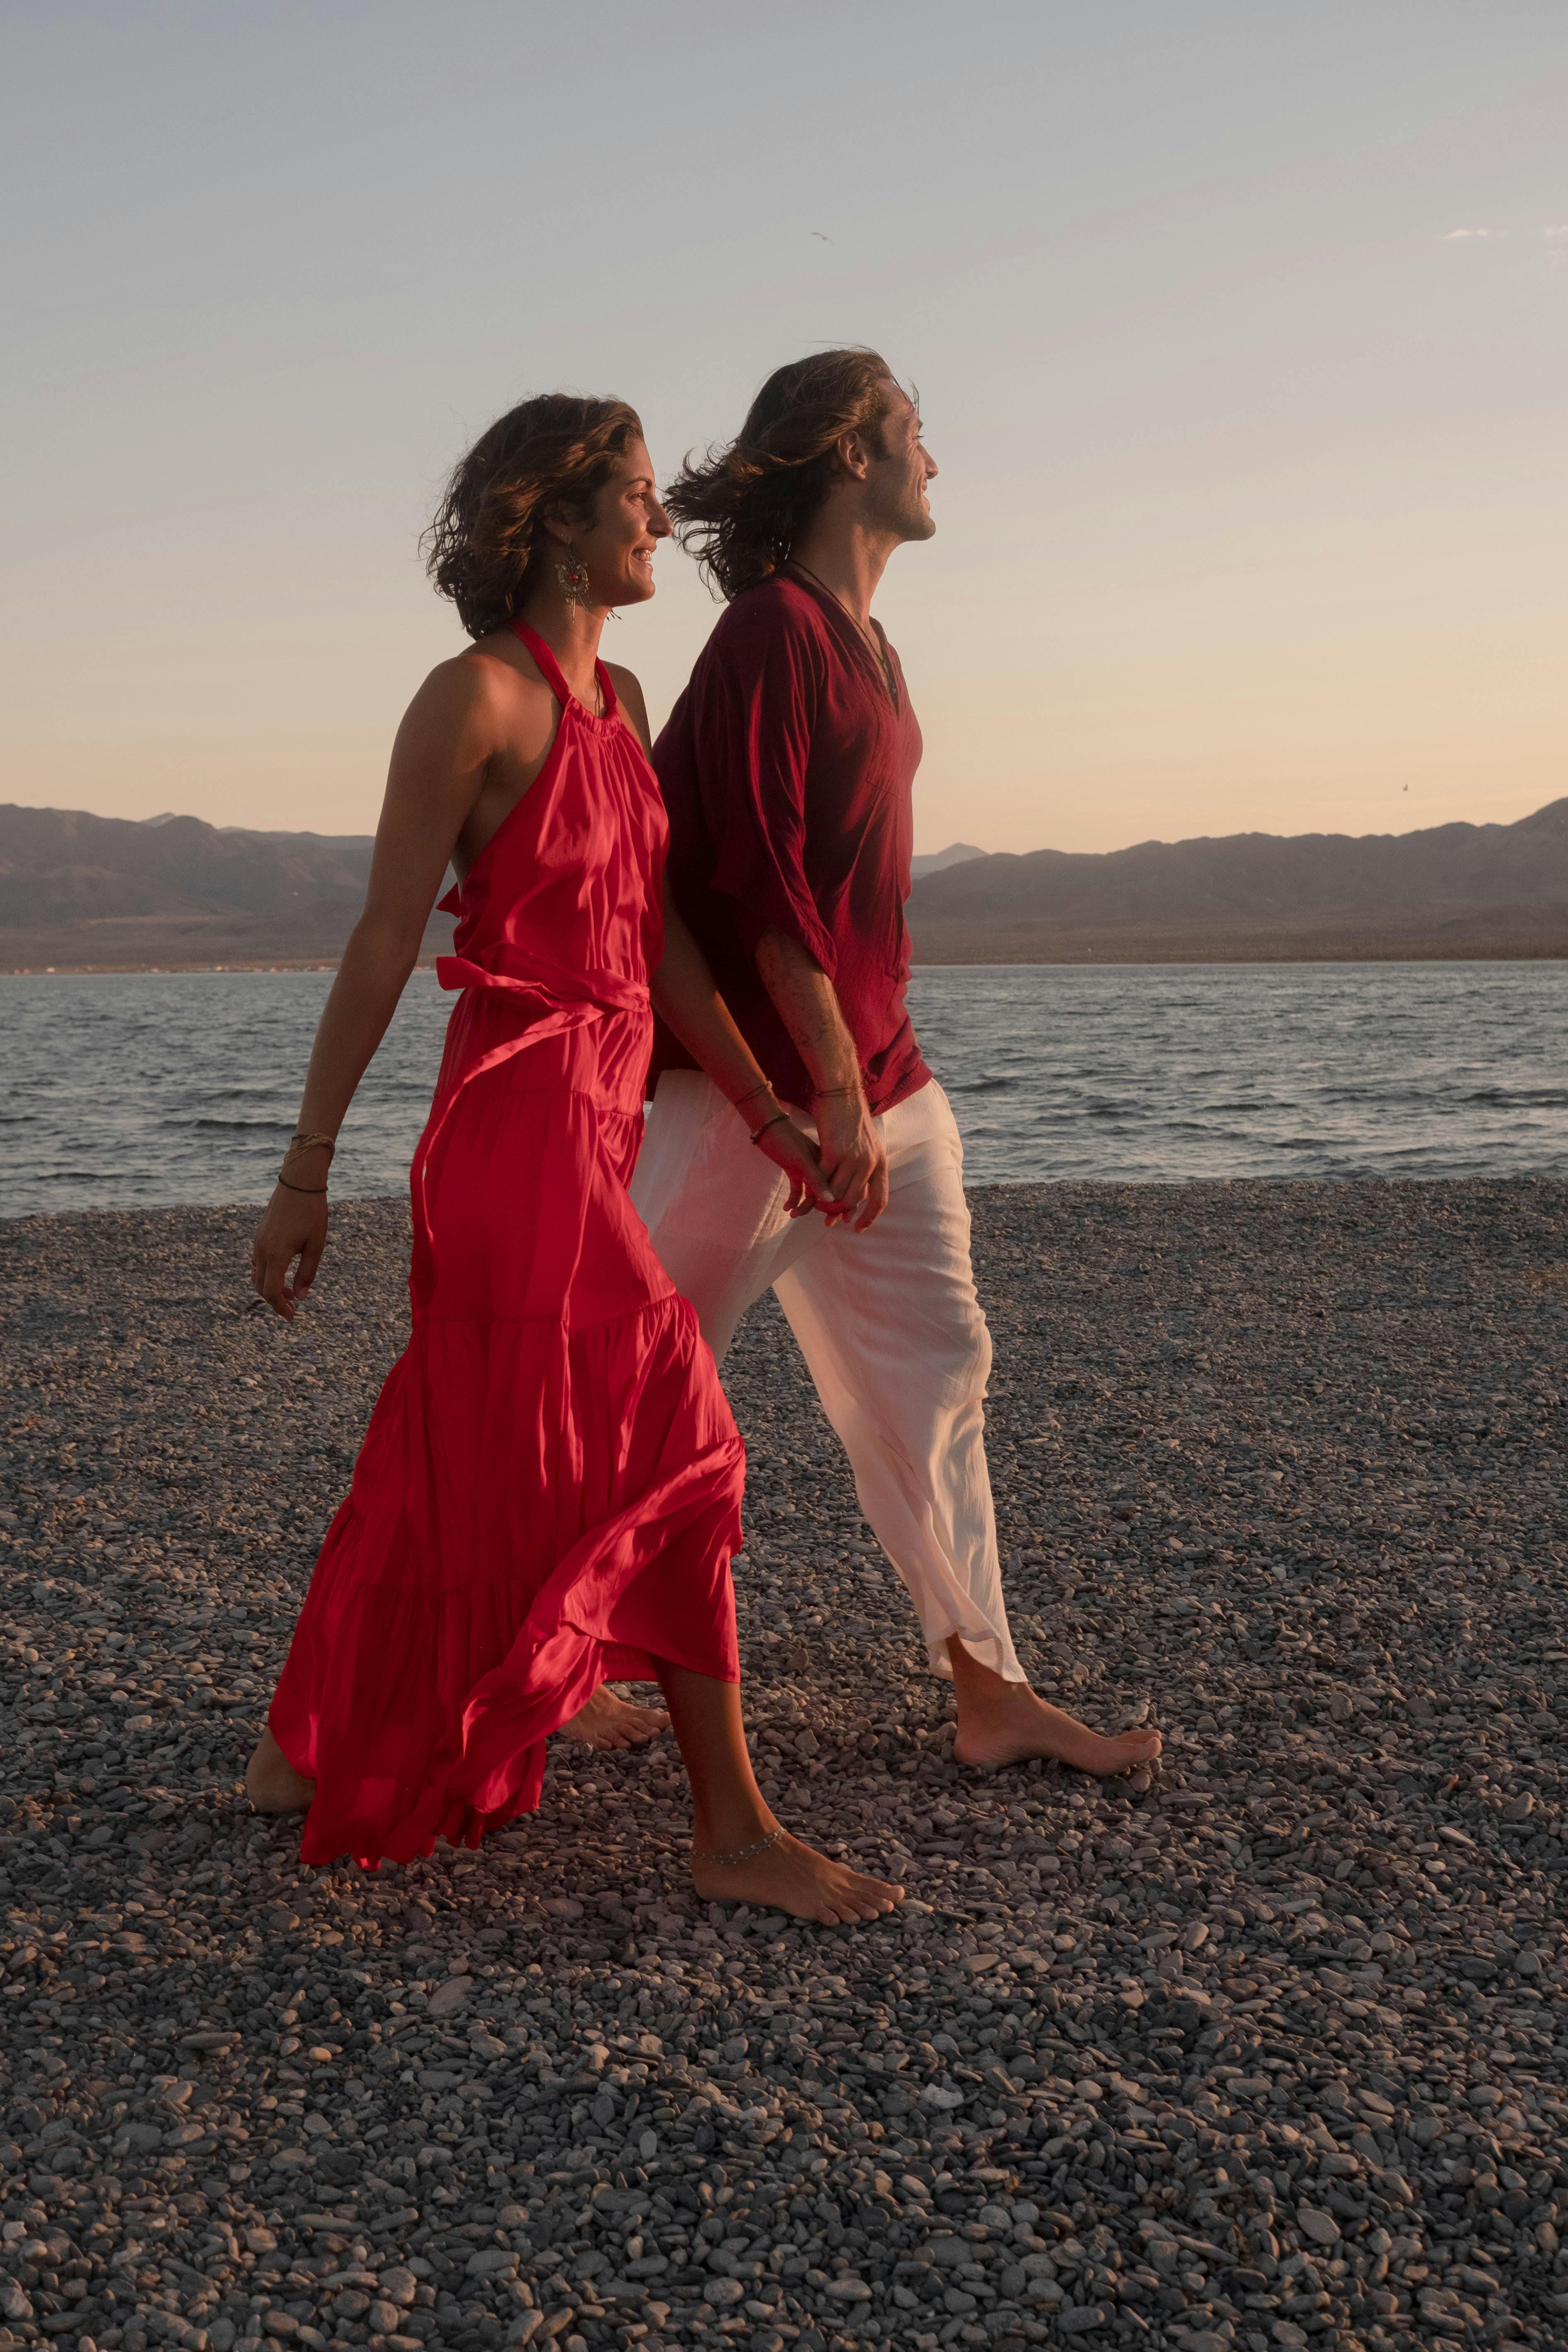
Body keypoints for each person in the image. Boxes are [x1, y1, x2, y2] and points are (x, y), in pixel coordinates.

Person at [245, 390, 902, 1926]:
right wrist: (304, 1169)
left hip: (600, 1112)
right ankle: (731, 1830)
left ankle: (301, 1743)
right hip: (513, 1118)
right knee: (684, 1435)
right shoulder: (471, 699)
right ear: (544, 519)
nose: (651, 517)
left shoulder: (621, 707)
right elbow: (380, 939)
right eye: (621, 492)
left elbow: (664, 947)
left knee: (448, 1443)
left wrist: (765, 1110)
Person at [633, 350, 1162, 1778]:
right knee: (628, 1380)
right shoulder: (770, 634)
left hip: (879, 1085)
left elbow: (853, 898)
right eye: (914, 435)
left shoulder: (870, 647)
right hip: (749, 1099)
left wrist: (869, 1083)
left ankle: (987, 1688)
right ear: (846, 455)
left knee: (937, 1370)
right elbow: (757, 886)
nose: (935, 461)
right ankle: (496, 1663)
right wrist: (825, 1089)